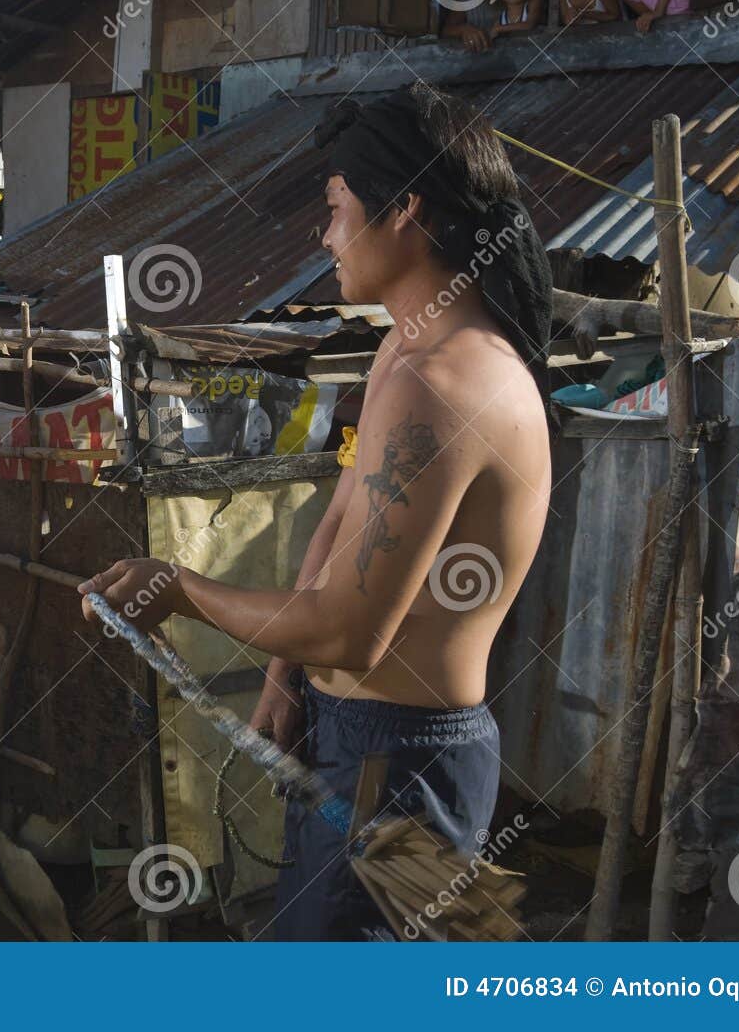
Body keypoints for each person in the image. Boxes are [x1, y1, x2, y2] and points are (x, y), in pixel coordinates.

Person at [79, 82, 553, 941]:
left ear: (405, 208)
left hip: (401, 760)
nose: (323, 234)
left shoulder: (442, 382)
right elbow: (340, 519)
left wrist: (179, 586)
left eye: (337, 208)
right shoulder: (405, 350)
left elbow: (349, 633)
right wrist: (283, 675)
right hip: (361, 739)